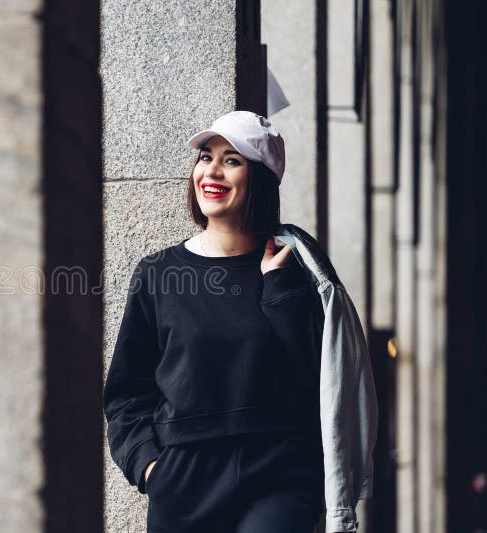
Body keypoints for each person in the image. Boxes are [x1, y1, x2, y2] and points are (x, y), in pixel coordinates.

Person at [103, 111, 326, 532]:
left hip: (278, 472)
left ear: (259, 178)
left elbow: (319, 376)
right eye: (206, 157)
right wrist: (150, 467)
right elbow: (126, 393)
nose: (212, 171)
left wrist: (280, 291)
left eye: (232, 160)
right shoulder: (158, 273)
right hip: (185, 477)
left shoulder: (295, 272)